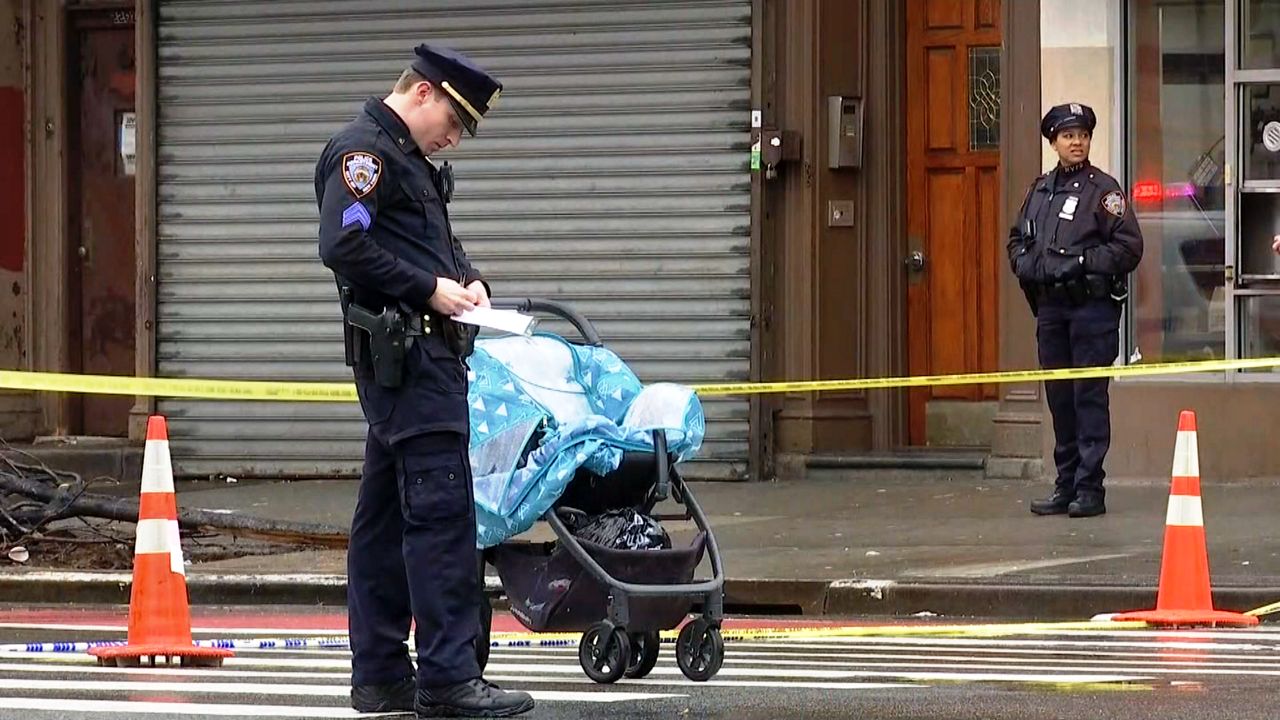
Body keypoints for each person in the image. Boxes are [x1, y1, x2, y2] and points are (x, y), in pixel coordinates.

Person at [315, 44, 534, 718]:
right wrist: (432, 291)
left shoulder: (409, 163)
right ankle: (447, 678)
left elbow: (429, 246)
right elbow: (343, 243)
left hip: (418, 362)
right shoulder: (366, 155)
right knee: (440, 518)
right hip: (409, 363)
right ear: (422, 94)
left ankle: (380, 673)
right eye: (455, 121)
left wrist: (469, 282)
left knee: (382, 523)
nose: (456, 139)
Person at [1007, 102, 1144, 519]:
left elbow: (1128, 248)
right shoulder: (1039, 191)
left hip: (1091, 311)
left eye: (1082, 135)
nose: (1076, 142)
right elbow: (1017, 242)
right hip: (1051, 310)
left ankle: (1089, 488)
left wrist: (1082, 263)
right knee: (1060, 400)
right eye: (1068, 136)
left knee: (1088, 399)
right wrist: (1033, 267)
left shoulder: (1104, 191)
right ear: (1053, 142)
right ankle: (1065, 485)